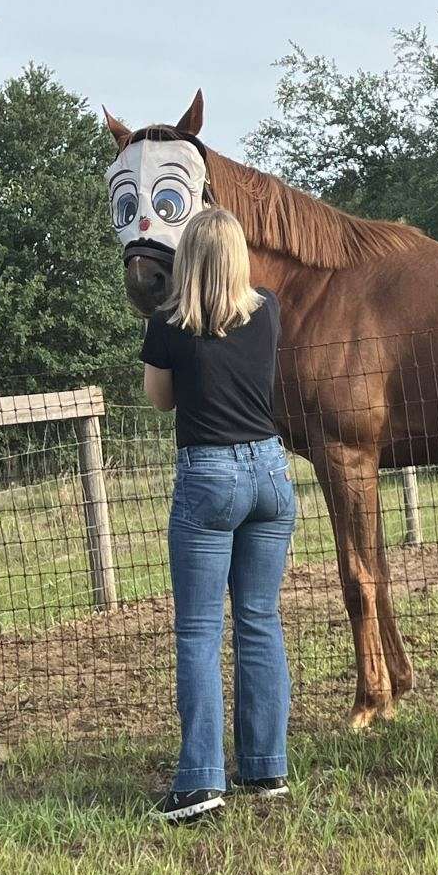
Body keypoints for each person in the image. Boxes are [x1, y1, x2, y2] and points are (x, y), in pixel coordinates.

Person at [140, 206, 296, 823]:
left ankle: (201, 781)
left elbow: (158, 400)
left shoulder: (168, 324)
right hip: (270, 473)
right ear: (238, 257)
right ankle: (266, 768)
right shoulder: (270, 311)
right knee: (260, 619)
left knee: (200, 630)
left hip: (208, 476)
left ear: (187, 259)